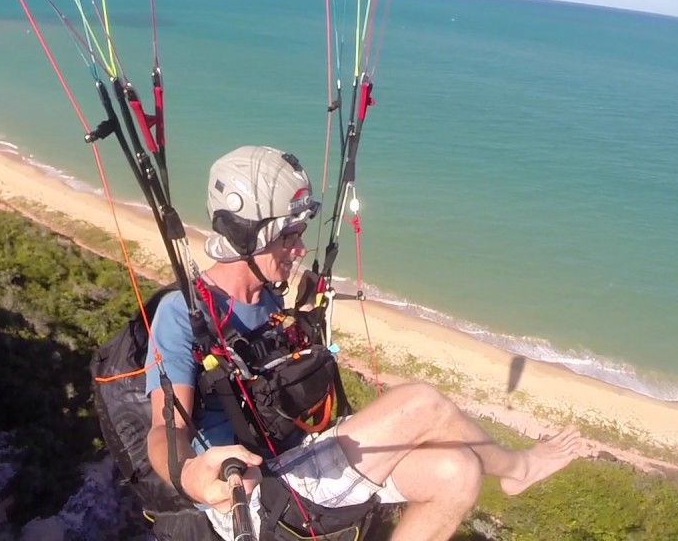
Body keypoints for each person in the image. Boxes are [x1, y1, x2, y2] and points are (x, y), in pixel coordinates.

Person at [143, 145, 586, 541]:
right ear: (248, 236)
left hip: (303, 456)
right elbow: (164, 431)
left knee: (459, 473)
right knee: (423, 403)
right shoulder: (182, 315)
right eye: (288, 237)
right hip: (260, 493)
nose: (299, 250)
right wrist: (193, 477)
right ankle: (518, 470)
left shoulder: (270, 293)